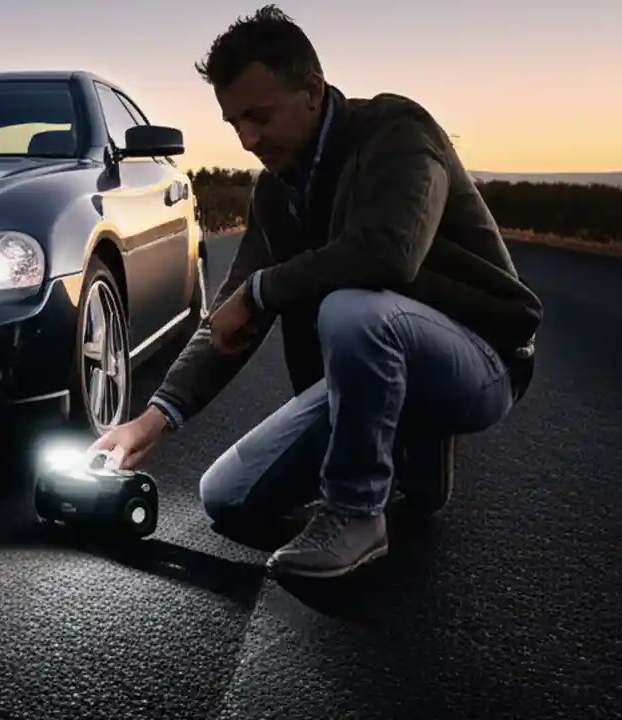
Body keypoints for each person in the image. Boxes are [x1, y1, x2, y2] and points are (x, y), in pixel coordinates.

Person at [90, 4, 543, 579]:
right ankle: (407, 434)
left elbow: (387, 254)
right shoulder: (274, 193)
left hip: (483, 358)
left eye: (260, 116)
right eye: (234, 124)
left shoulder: (396, 132)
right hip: (368, 366)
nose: (248, 138)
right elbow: (232, 313)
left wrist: (262, 290)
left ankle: (356, 511)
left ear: (312, 90)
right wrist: (148, 422)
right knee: (226, 497)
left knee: (352, 308)